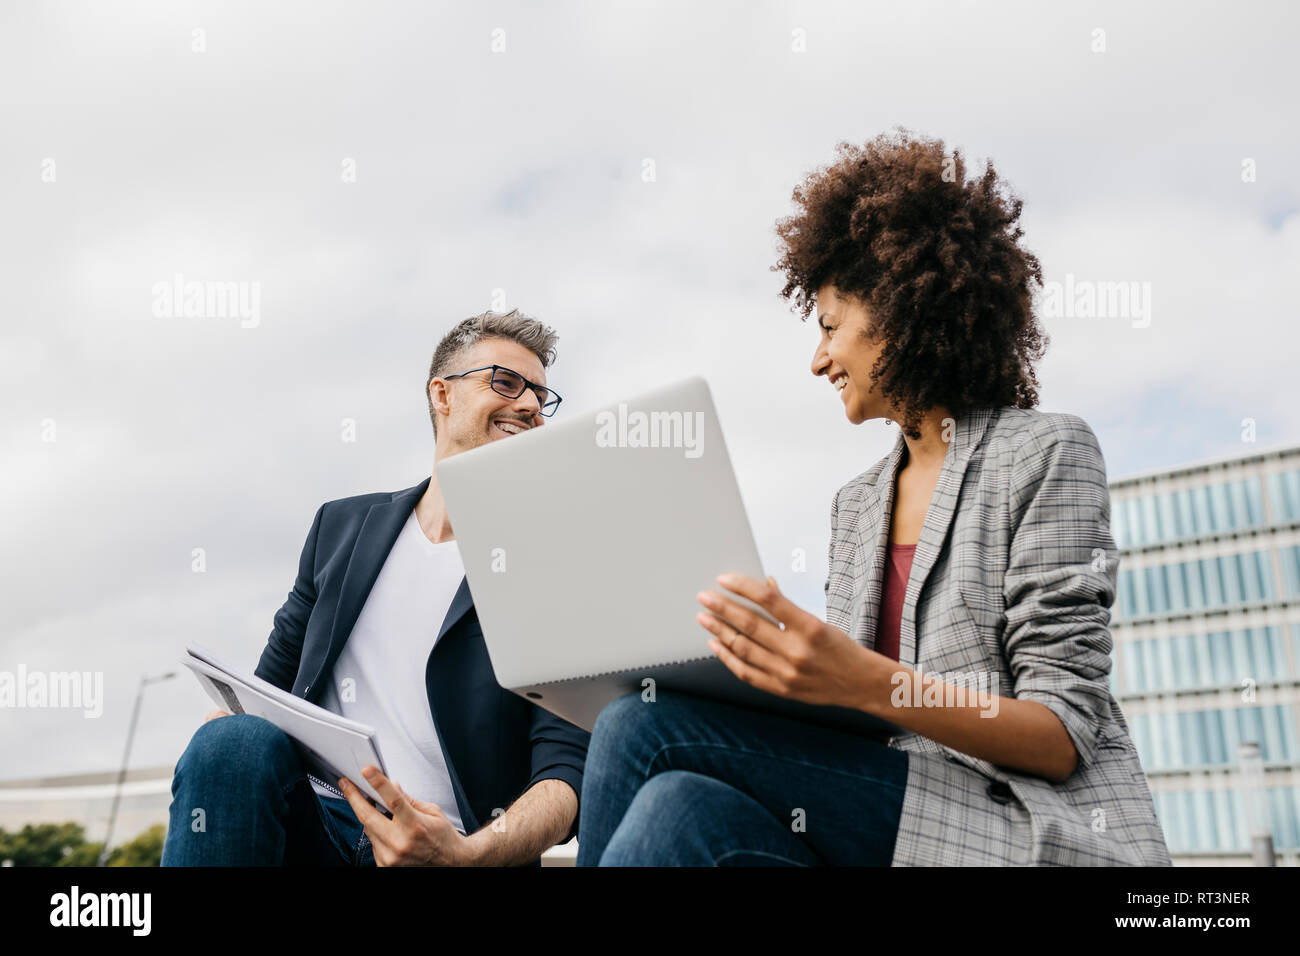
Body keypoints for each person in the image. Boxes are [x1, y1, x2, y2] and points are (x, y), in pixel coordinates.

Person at [575, 130, 1172, 866]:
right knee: (674, 809)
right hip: (878, 818)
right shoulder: (855, 507)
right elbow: (849, 720)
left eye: (830, 326)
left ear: (898, 307)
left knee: (642, 729)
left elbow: (1059, 736)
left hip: (1013, 829)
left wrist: (865, 682)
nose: (818, 357)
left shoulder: (1045, 452)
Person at [162, 309, 591, 867]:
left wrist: (468, 855)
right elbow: (268, 692)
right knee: (230, 743)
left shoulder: (558, 564)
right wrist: (226, 744)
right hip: (318, 825)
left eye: (541, 395)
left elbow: (566, 773)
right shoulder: (340, 528)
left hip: (451, 844)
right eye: (507, 383)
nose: (531, 405)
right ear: (442, 394)